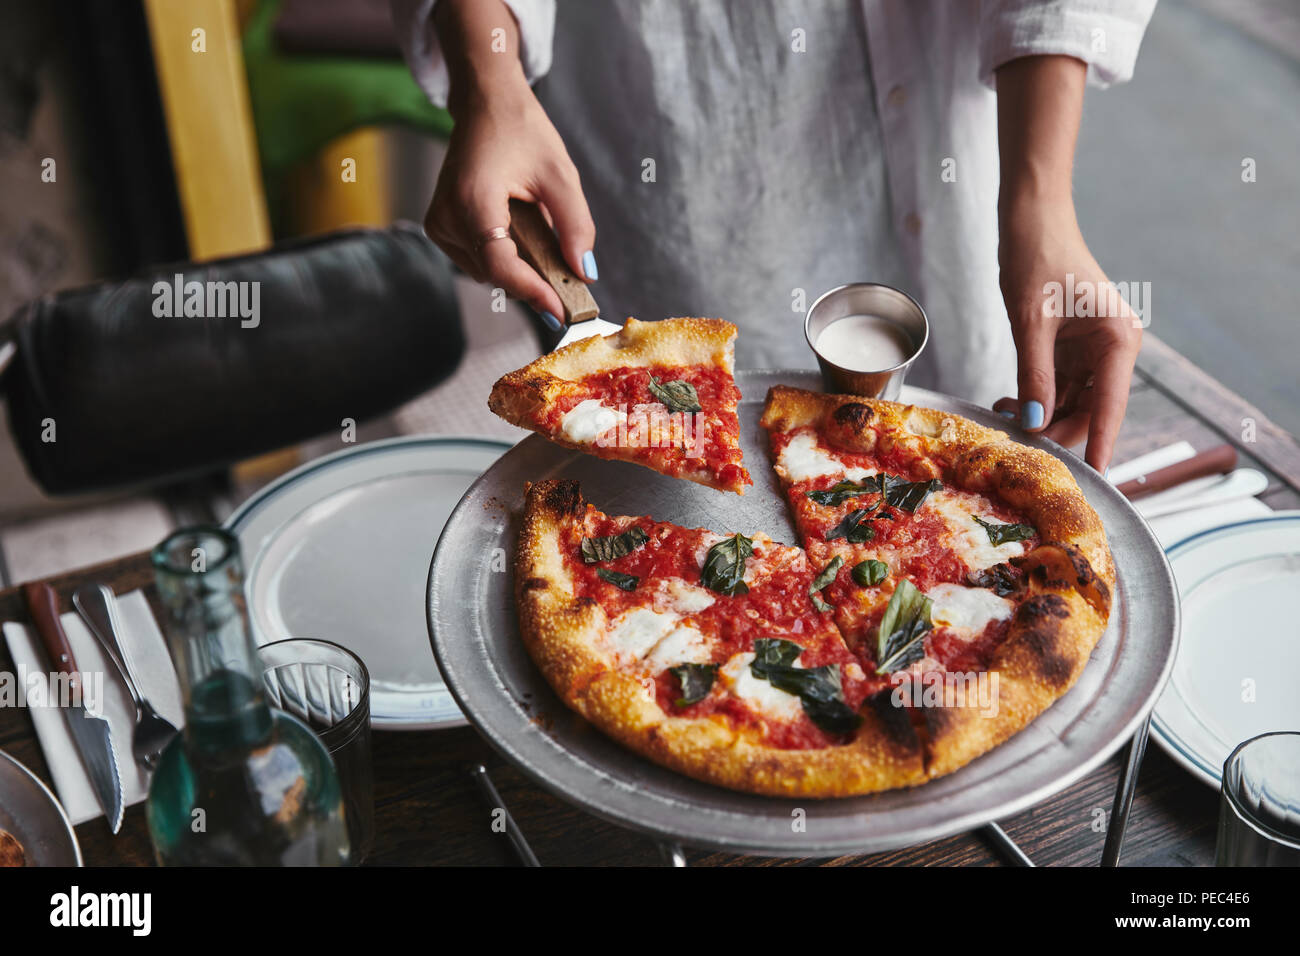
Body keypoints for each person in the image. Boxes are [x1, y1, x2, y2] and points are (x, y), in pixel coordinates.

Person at [393, 0, 1156, 472]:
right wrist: (489, 87)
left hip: (960, 149)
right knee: (673, 468)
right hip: (684, 157)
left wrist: (1041, 206)